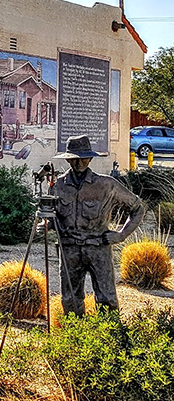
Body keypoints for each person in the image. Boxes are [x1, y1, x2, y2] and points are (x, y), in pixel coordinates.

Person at [53, 134, 145, 315]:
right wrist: (47, 223)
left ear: (90, 158)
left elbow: (138, 208)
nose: (79, 163)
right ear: (68, 159)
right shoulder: (58, 185)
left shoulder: (106, 185)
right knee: (70, 299)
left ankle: (108, 337)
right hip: (69, 250)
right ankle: (73, 339)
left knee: (107, 299)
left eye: (83, 158)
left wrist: (121, 235)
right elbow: (54, 216)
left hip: (98, 249)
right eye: (74, 159)